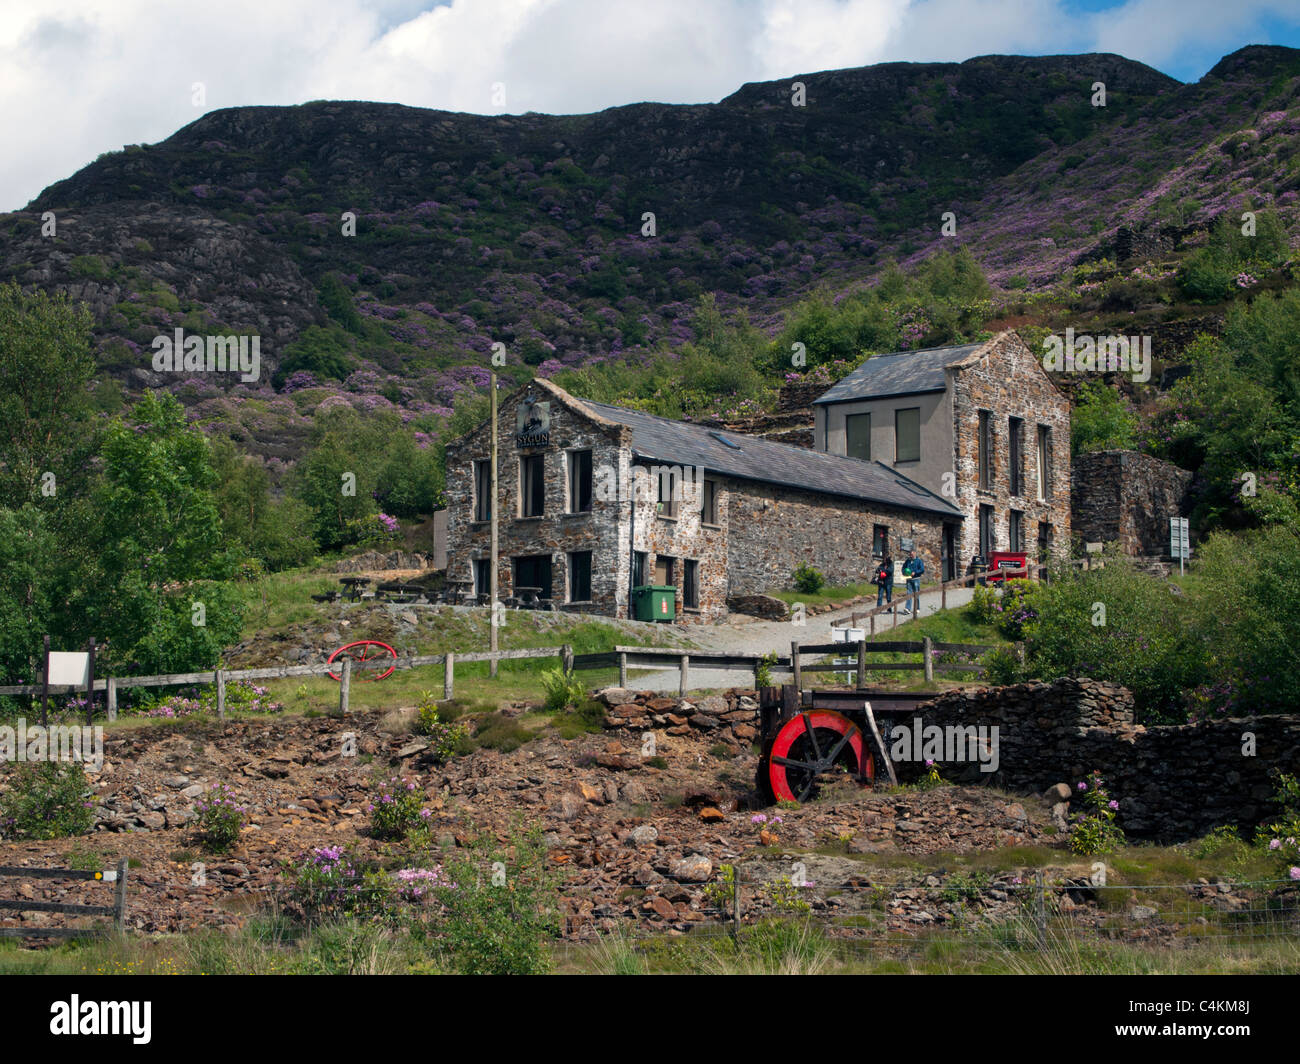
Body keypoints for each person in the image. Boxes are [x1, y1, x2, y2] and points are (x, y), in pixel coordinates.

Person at [900, 549, 924, 615]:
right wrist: (904, 572)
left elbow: (922, 570)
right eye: (910, 554)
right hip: (909, 579)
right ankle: (907, 608)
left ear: (915, 554)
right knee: (909, 593)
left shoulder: (919, 561)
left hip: (916, 579)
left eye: (912, 554)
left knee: (916, 593)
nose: (911, 556)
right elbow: (903, 568)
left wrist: (915, 572)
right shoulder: (908, 561)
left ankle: (917, 608)